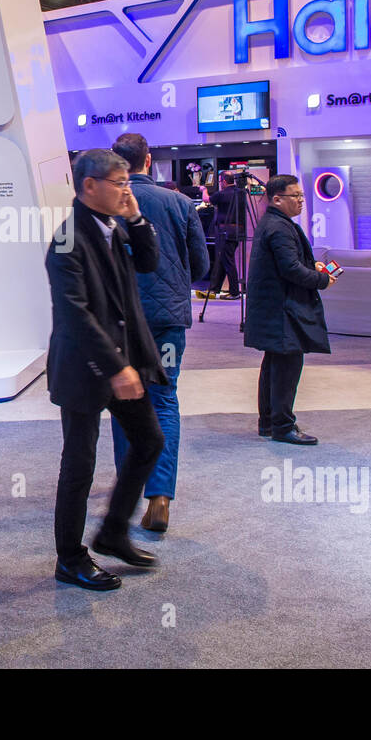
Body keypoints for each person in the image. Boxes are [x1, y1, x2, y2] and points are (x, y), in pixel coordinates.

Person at [46, 149, 165, 590]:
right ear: (89, 185)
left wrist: (136, 219)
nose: (126, 191)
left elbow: (150, 262)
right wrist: (116, 367)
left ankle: (114, 531)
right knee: (80, 464)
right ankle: (70, 558)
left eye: (128, 182)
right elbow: (75, 313)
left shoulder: (113, 226)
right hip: (85, 367)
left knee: (150, 441)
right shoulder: (67, 238)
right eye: (119, 184)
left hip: (123, 363)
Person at [109, 134, 209, 534]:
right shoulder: (181, 204)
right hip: (167, 320)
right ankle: (160, 496)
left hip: (122, 321)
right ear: (149, 160)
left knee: (123, 401)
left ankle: (130, 488)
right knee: (164, 400)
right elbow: (200, 266)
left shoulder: (108, 204)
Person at [244, 175, 336, 445]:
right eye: (295, 196)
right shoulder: (280, 227)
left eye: (301, 196)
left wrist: (312, 267)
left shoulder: (274, 223)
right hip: (284, 309)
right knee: (285, 368)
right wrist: (321, 279)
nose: (301, 201)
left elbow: (290, 263)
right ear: (276, 199)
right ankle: (282, 425)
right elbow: (290, 269)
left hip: (276, 308)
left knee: (274, 365)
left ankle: (270, 423)